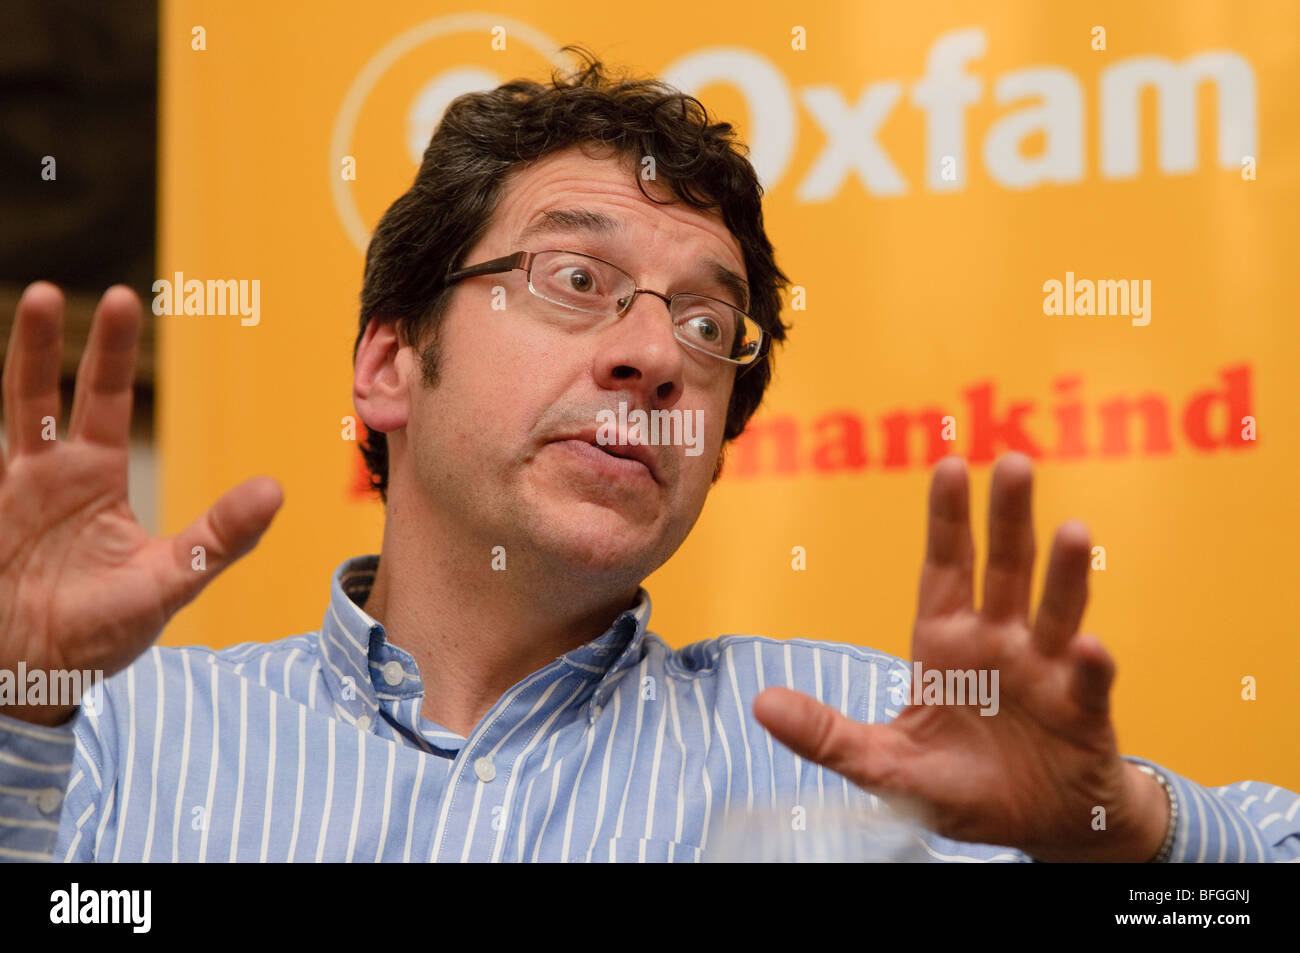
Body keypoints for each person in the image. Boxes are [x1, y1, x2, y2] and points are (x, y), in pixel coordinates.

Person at [1, 49, 1296, 863]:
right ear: (389, 364)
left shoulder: (873, 748)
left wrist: (1123, 831)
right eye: (576, 276)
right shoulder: (125, 734)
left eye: (706, 323)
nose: (653, 354)